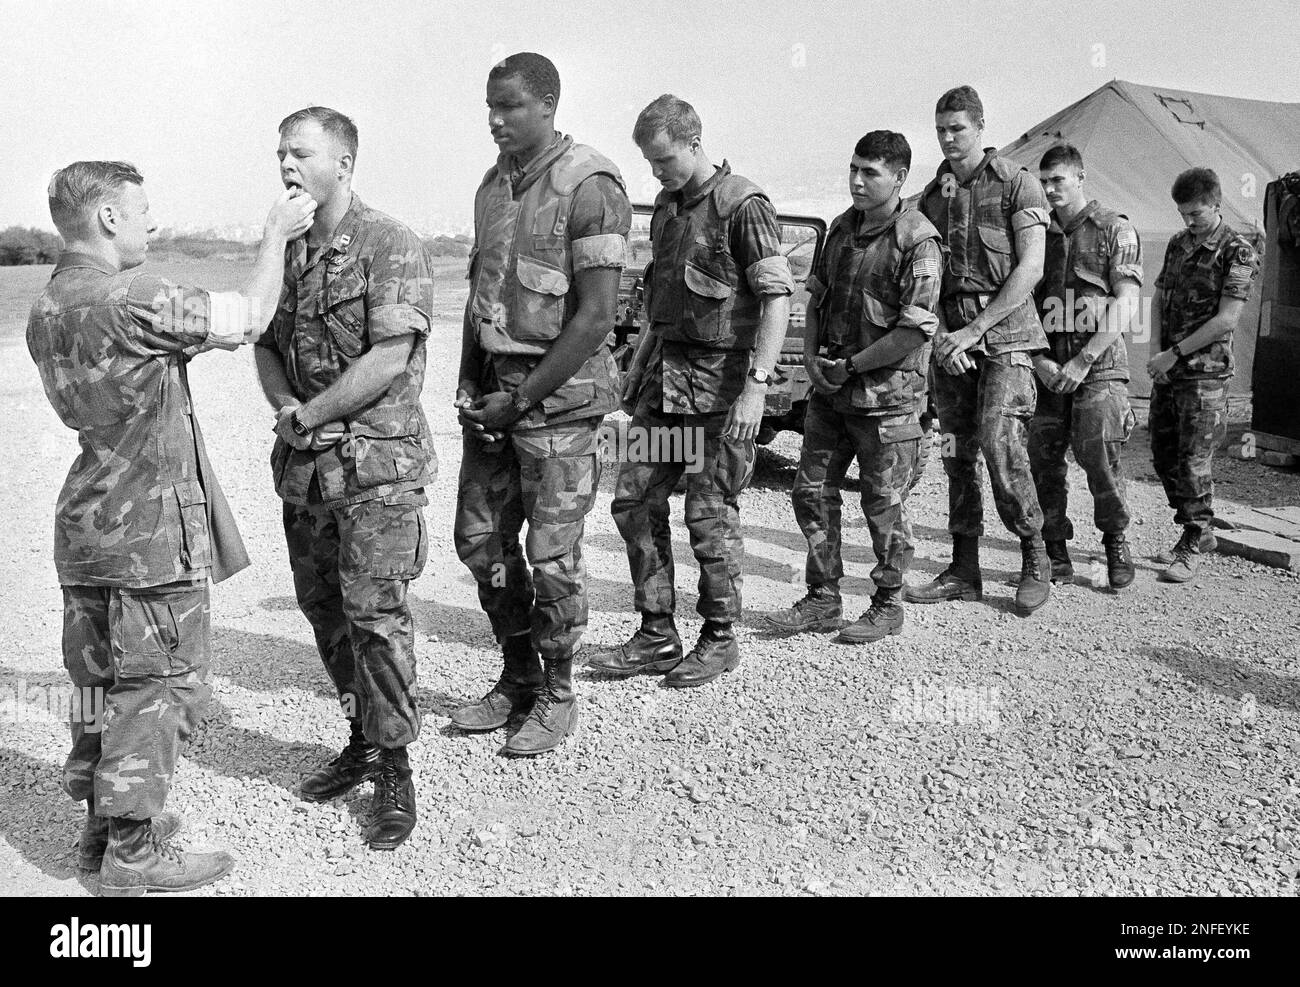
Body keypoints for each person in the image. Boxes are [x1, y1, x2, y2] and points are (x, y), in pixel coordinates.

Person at [27, 160, 315, 894]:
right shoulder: (134, 297)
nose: (152, 224)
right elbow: (248, 315)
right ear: (110, 218)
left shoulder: (48, 306)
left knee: (96, 682)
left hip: (86, 525)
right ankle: (132, 848)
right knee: (157, 685)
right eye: (143, 210)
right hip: (149, 531)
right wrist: (275, 235)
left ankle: (98, 825)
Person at [254, 107, 435, 848]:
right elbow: (263, 341)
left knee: (375, 615)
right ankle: (361, 735)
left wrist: (313, 412)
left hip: (374, 471)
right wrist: (288, 408)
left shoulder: (390, 243)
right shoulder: (288, 250)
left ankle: (394, 764)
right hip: (308, 472)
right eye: (280, 154)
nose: (287, 166)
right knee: (325, 611)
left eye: (300, 153)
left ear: (344, 163)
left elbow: (390, 356)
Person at [451, 52, 631, 755]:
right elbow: (479, 298)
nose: (496, 119)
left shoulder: (592, 183)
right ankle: (517, 672)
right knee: (480, 542)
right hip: (496, 400)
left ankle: (557, 690)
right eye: (490, 106)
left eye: (512, 106)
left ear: (549, 102)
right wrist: (469, 383)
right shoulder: (491, 189)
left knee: (552, 555)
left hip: (557, 404)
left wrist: (521, 399)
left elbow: (596, 317)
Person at [588, 93, 794, 685]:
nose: (657, 174)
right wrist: (637, 367)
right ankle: (656, 632)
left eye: (665, 161)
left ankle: (719, 636)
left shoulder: (742, 204)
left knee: (709, 514)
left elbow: (777, 298)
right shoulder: (670, 209)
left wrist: (756, 388)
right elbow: (660, 304)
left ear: (695, 143)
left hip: (723, 393)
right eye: (650, 164)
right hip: (666, 387)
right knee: (634, 499)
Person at [765, 131, 941, 642]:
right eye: (854, 169)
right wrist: (818, 362)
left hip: (888, 402)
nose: (858, 181)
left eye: (871, 173)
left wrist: (853, 366)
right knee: (811, 491)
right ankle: (823, 596)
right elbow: (816, 299)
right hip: (832, 393)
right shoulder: (843, 228)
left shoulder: (918, 241)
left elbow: (913, 330)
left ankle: (888, 603)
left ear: (900, 177)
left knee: (882, 502)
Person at [906, 85, 1053, 615]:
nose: (947, 139)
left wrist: (975, 332)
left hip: (1008, 334)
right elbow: (927, 276)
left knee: (1000, 437)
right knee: (956, 451)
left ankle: (1035, 555)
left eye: (957, 130)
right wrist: (947, 335)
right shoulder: (931, 196)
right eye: (941, 130)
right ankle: (964, 567)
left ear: (981, 128)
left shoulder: (1018, 185)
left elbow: (1030, 269)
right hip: (953, 341)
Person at [1029, 144, 1142, 589]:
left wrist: (1083, 359)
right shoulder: (1038, 233)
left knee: (1098, 451)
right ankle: (1054, 545)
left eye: (1059, 179)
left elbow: (1127, 302)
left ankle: (1114, 538)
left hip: (1098, 365)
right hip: (1048, 368)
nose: (1051, 189)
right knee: (1042, 459)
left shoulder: (1114, 228)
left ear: (1080, 177)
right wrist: (1038, 360)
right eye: (1045, 181)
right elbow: (1022, 301)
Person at [1146, 167, 1259, 582]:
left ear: (1216, 204)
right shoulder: (1179, 243)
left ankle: (1194, 537)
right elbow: (1159, 295)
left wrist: (1174, 354)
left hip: (1205, 374)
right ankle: (1200, 529)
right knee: (1162, 455)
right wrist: (1159, 351)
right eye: (1182, 214)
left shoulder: (1238, 251)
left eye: (1195, 214)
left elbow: (1227, 320)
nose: (1188, 222)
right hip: (1170, 368)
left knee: (1194, 460)